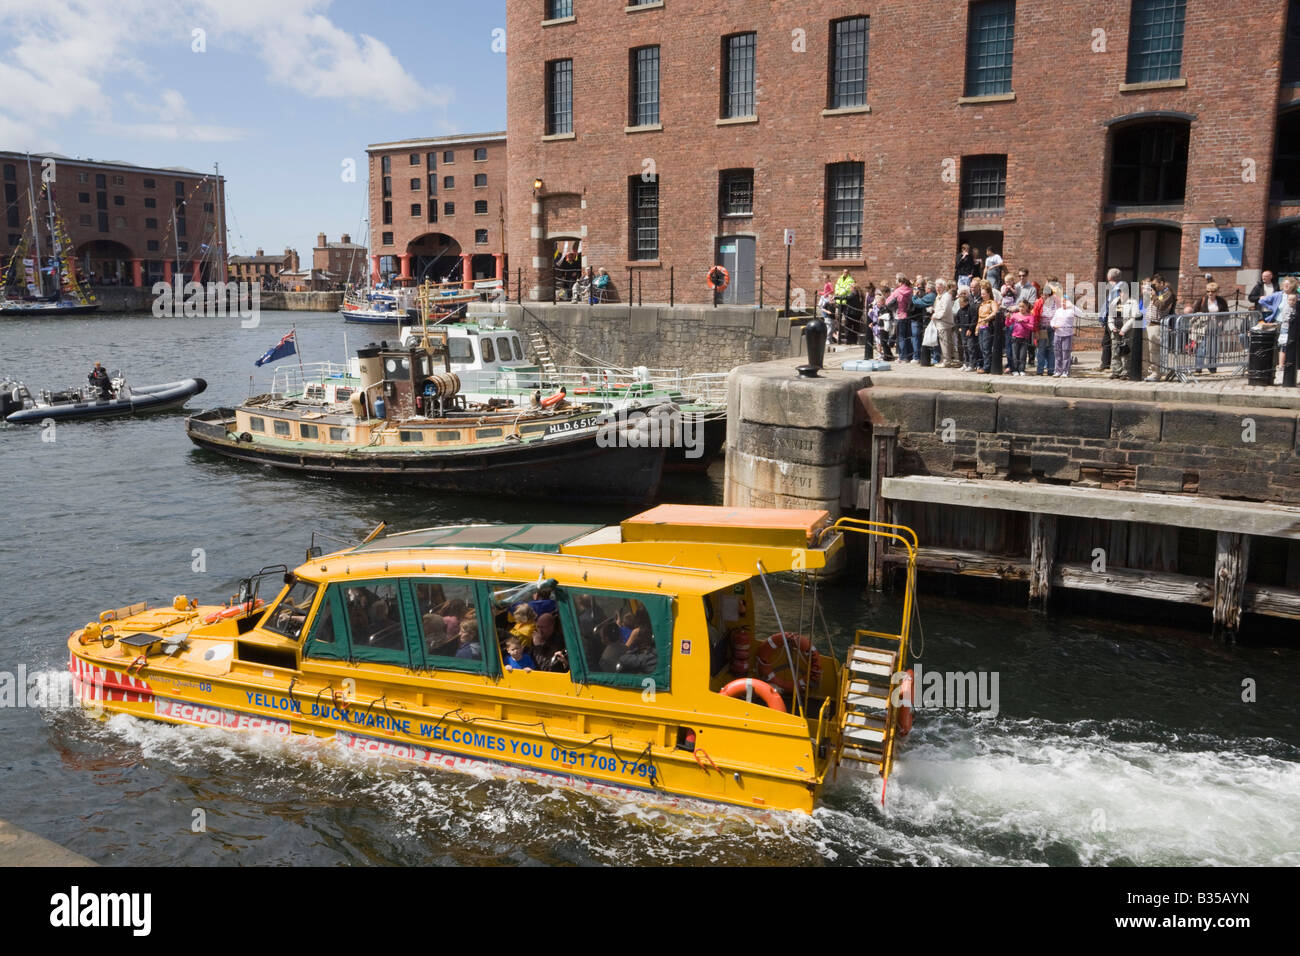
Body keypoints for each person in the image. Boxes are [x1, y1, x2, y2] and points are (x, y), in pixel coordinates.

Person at [1185, 281, 1228, 374]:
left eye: (1212, 291)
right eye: (1208, 291)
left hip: (1215, 327)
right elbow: (1195, 312)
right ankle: (1198, 367)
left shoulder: (1221, 301)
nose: (1210, 293)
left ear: (1216, 292)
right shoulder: (1202, 300)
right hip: (1203, 328)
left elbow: (1226, 313)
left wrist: (1222, 322)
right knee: (1202, 347)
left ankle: (1212, 367)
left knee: (1214, 348)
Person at [1144, 274, 1174, 381]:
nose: (1153, 286)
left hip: (1157, 325)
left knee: (1154, 350)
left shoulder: (1168, 294)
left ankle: (1156, 373)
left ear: (1161, 283)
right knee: (1149, 350)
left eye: (1155, 284)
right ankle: (1152, 371)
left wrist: (1154, 296)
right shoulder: (1157, 293)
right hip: (1149, 324)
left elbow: (1162, 306)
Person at [1098, 268, 1124, 372]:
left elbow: (1115, 305)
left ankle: (1112, 366)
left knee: (1113, 342)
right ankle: (1105, 364)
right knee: (1106, 341)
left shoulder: (1119, 289)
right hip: (1109, 318)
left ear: (1110, 277)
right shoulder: (1114, 289)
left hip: (1114, 319)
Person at [886, 275, 915, 362]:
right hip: (909, 316)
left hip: (900, 316)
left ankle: (903, 357)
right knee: (908, 337)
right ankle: (910, 356)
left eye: (897, 281)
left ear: (900, 282)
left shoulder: (897, 291)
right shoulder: (910, 290)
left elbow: (888, 302)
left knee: (901, 337)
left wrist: (894, 307)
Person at [1050, 296, 1081, 377]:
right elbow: (1053, 320)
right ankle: (1058, 371)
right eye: (1062, 301)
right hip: (1057, 334)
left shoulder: (1071, 310)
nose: (1063, 303)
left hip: (1067, 335)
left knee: (1066, 354)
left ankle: (1065, 371)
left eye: (1065, 301)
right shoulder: (1058, 311)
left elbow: (1081, 314)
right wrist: (1053, 325)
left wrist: (1072, 305)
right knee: (1057, 353)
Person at [931, 278, 958, 367]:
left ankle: (946, 361)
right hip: (940, 323)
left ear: (944, 287)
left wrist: (935, 315)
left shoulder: (946, 296)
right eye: (936, 287)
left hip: (944, 323)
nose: (937, 289)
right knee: (945, 342)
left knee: (945, 343)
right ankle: (947, 359)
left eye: (939, 287)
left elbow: (944, 311)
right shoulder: (939, 296)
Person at [975, 281, 999, 374]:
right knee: (981, 348)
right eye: (981, 294)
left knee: (986, 348)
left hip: (987, 327)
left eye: (984, 294)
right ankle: (982, 365)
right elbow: (979, 317)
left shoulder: (992, 302)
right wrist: (977, 328)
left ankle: (987, 367)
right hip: (981, 326)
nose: (982, 296)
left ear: (988, 293)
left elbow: (995, 312)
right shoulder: (982, 304)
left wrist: (987, 318)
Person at [1007, 300, 1035, 375]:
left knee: (1023, 355)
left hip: (1024, 338)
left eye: (1023, 307)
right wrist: (1007, 318)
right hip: (1015, 337)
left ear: (1027, 307)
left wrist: (1022, 322)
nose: (1021, 308)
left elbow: (1031, 327)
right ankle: (1015, 369)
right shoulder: (1015, 315)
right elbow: (1008, 324)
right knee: (1015, 355)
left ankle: (1022, 369)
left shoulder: (1030, 316)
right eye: (1020, 306)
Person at [954, 288, 979, 370]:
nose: (960, 305)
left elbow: (974, 319)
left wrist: (970, 329)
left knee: (970, 348)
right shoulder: (960, 311)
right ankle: (966, 363)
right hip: (963, 331)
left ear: (966, 302)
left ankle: (972, 364)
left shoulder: (971, 309)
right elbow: (957, 320)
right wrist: (959, 327)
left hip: (969, 332)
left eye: (961, 303)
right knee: (965, 348)